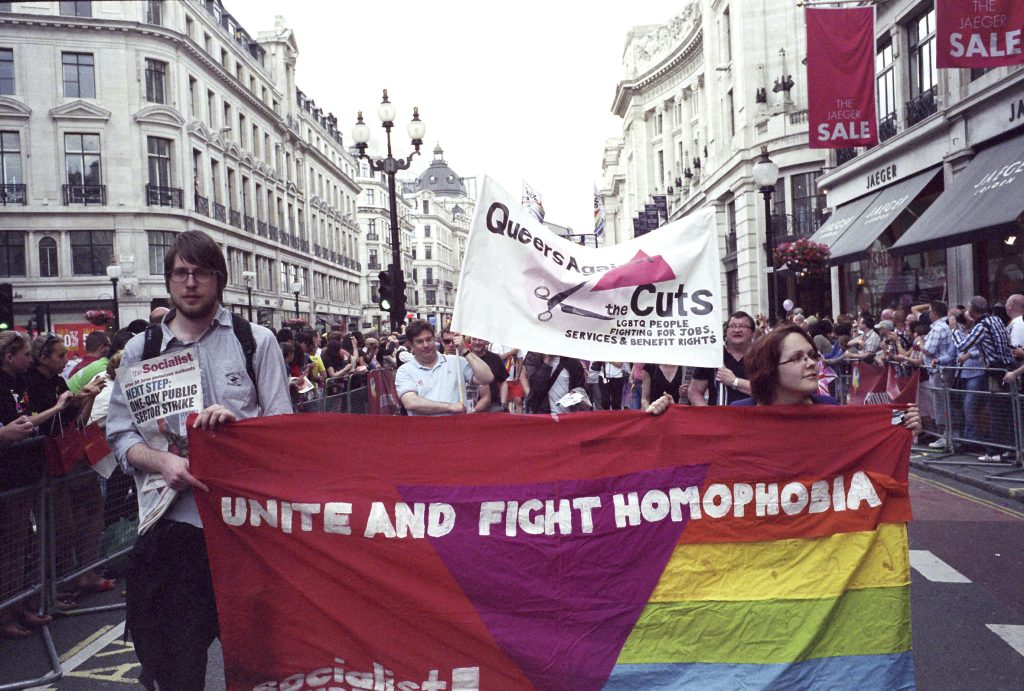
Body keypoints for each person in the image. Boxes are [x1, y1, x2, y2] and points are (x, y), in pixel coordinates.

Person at [105, 230, 291, 690]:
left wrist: (239, 433)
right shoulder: (140, 351)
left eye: (200, 273)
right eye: (180, 274)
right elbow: (120, 434)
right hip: (173, 529)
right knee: (175, 668)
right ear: (168, 282)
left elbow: (283, 430)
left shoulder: (256, 341)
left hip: (246, 528)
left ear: (218, 280)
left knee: (260, 665)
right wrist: (162, 462)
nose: (190, 283)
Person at [647, 325, 923, 437]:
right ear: (770, 370)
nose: (812, 363)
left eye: (812, 356)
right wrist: (666, 416)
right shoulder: (738, 415)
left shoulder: (831, 410)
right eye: (798, 358)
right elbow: (690, 445)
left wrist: (904, 426)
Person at [0, 331, 49, 639]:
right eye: (26, 355)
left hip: (27, 473)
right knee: (9, 548)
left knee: (22, 546)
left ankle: (19, 606)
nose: (30, 360)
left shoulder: (21, 382)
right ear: (8, 357)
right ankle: (6, 614)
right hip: (8, 476)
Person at [395, 319, 494, 415]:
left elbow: (487, 377)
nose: (426, 345)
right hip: (425, 429)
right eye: (420, 342)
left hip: (457, 428)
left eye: (429, 340)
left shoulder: (457, 362)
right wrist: (450, 407)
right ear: (411, 345)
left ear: (435, 340)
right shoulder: (405, 371)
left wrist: (465, 350)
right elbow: (411, 402)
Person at [689, 311, 756, 406]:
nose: (737, 330)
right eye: (732, 326)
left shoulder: (761, 356)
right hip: (720, 417)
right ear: (726, 331)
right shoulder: (713, 356)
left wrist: (734, 382)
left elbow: (770, 391)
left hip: (753, 417)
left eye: (742, 326)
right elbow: (694, 391)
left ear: (752, 332)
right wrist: (708, 415)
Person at [468, 337, 509, 412]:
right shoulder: (463, 359)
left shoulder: (495, 359)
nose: (477, 342)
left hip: (492, 406)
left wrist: (503, 403)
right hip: (468, 406)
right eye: (474, 339)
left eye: (480, 340)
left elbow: (503, 381)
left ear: (486, 341)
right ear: (470, 340)